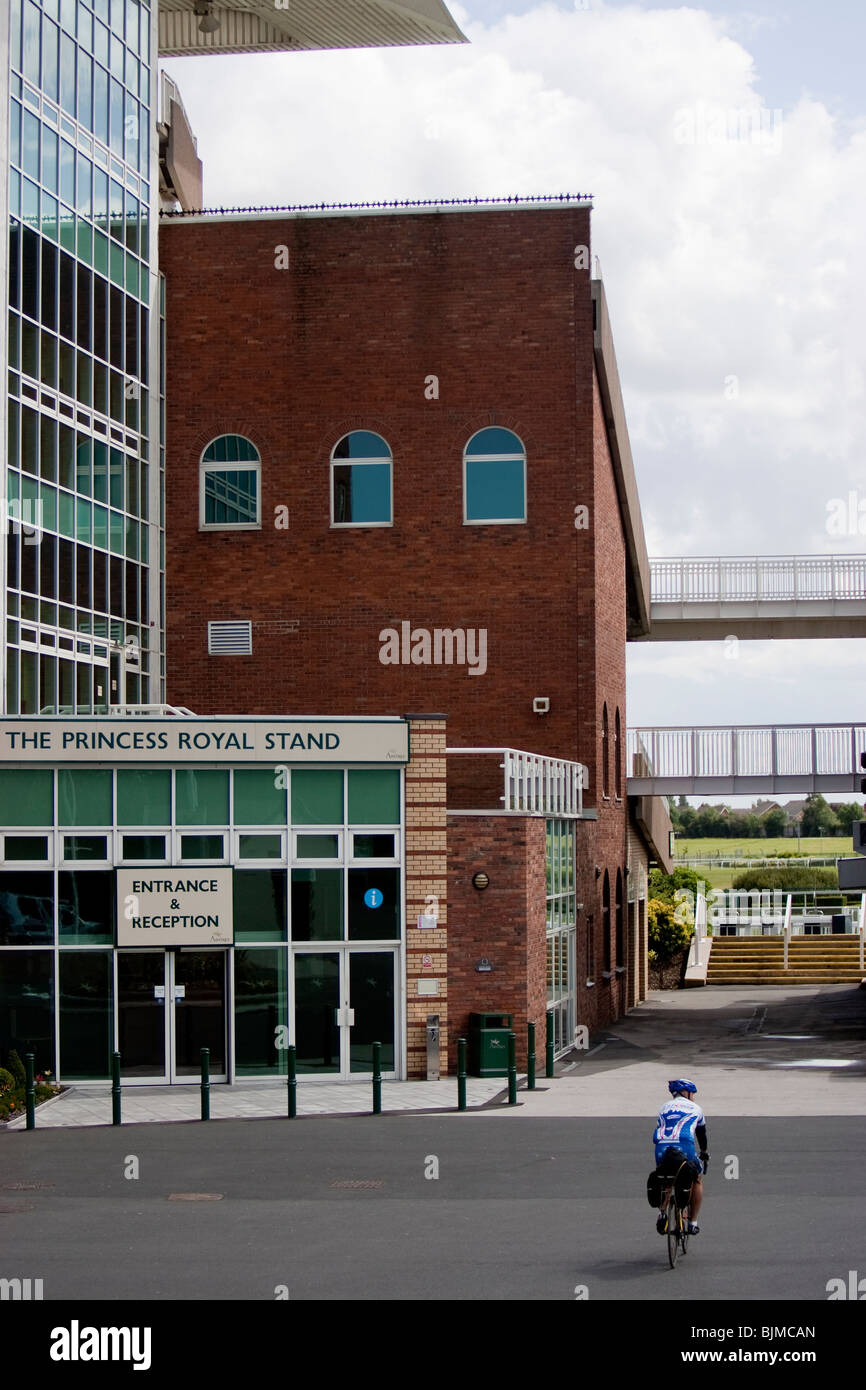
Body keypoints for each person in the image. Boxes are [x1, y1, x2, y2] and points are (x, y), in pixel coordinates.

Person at [652, 1078, 709, 1236]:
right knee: (697, 1178)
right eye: (693, 1093)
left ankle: (662, 1212)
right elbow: (701, 1134)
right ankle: (692, 1222)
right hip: (685, 1147)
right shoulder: (696, 1108)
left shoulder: (663, 1107)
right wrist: (704, 1152)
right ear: (686, 1093)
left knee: (666, 1177)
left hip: (662, 1148)